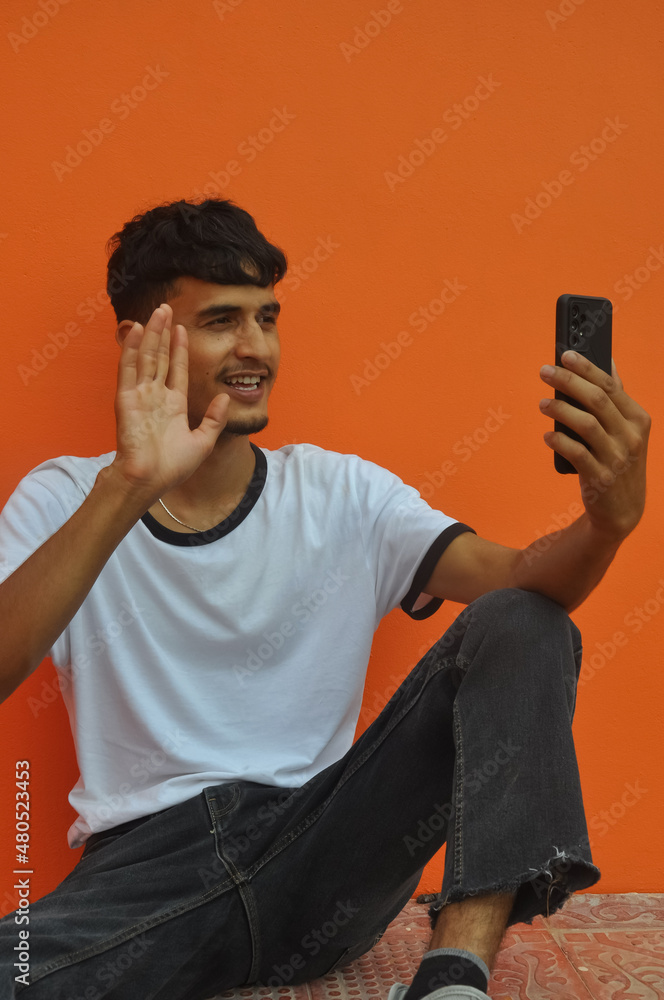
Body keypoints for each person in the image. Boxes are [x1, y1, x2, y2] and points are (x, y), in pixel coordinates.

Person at [0, 197, 650, 1000]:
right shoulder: (66, 499)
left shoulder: (342, 493)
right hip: (151, 874)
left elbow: (521, 581)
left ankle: (452, 980)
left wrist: (606, 525)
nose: (256, 347)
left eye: (267, 318)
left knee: (524, 621)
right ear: (142, 341)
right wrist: (128, 487)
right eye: (222, 320)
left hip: (324, 855)